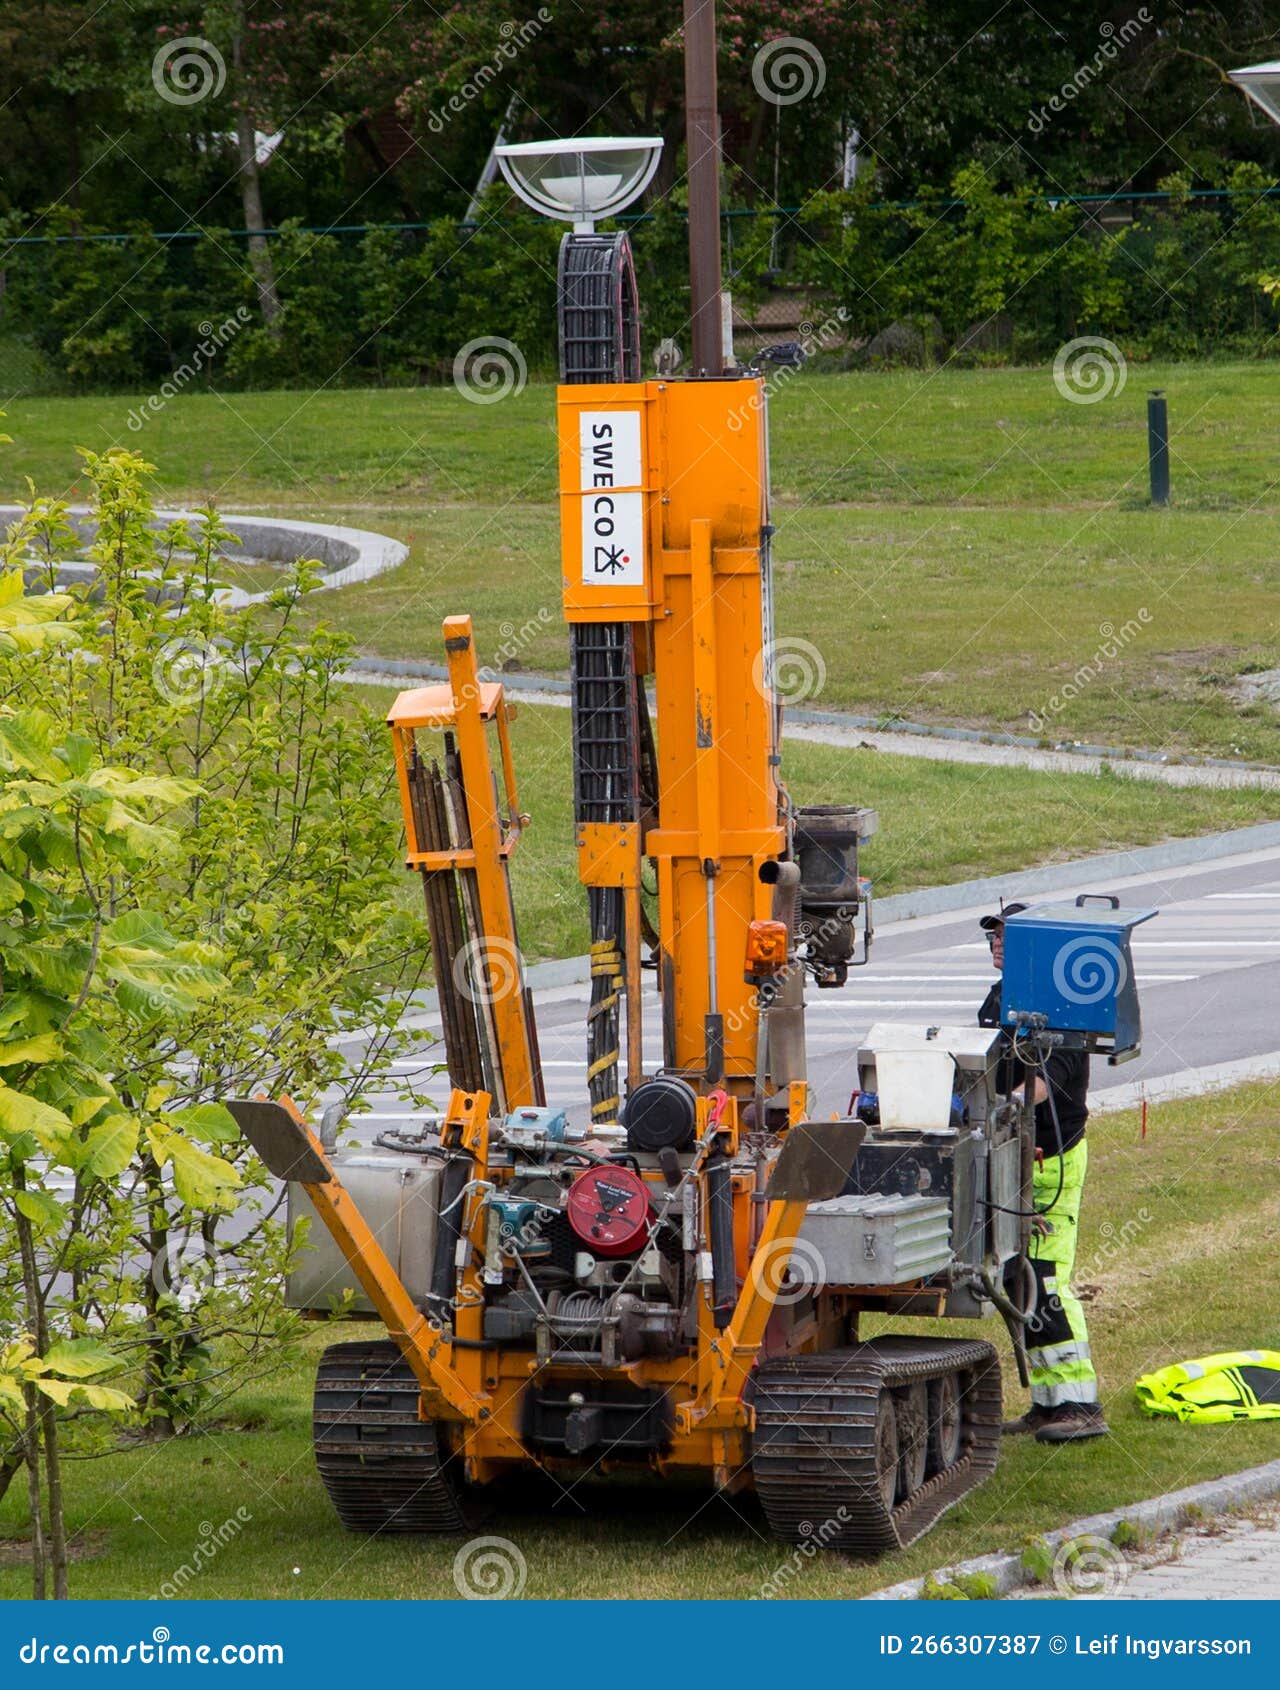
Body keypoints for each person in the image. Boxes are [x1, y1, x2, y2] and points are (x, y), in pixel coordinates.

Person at [977, 902, 1108, 1445]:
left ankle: (1082, 1405)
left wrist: (999, 1105)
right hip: (1015, 1154)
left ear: (1034, 950)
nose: (996, 944)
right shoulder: (1001, 999)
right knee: (1019, 1277)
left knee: (1047, 1281)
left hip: (1052, 1160)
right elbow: (985, 1061)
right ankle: (1048, 1403)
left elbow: (1044, 1084)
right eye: (993, 937)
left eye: (1008, 938)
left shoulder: (1062, 1010)